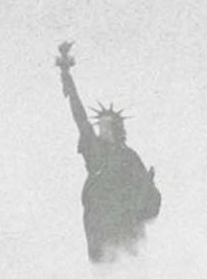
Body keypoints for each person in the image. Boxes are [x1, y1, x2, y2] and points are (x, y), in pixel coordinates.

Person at [55, 42, 161, 263]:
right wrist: (66, 75)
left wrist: (148, 183)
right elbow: (80, 116)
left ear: (116, 129)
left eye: (106, 126)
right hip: (98, 220)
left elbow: (143, 190)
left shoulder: (129, 156)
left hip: (123, 222)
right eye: (100, 125)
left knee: (129, 266)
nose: (101, 129)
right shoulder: (94, 149)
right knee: (104, 269)